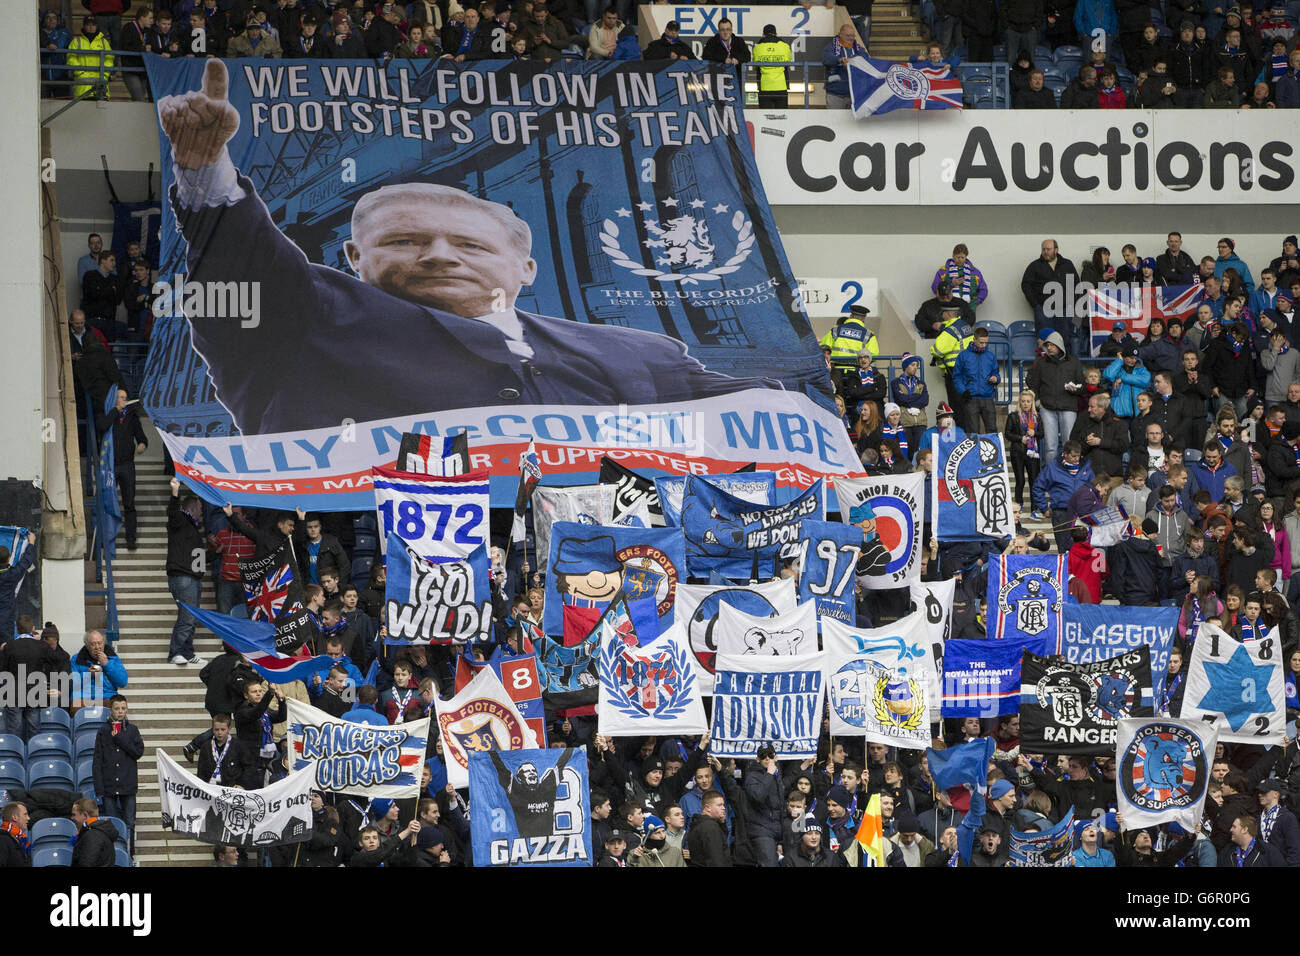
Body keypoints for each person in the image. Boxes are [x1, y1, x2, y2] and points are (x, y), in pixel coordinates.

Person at [155, 61, 788, 437]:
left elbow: (752, 410)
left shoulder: (640, 352)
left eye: (468, 244)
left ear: (524, 268)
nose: (438, 255)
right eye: (405, 240)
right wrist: (207, 175)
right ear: (354, 259)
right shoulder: (304, 318)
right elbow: (247, 267)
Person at [94, 390, 147, 552]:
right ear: (114, 399)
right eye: (121, 398)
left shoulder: (132, 416)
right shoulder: (106, 413)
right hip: (110, 465)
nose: (124, 401)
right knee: (106, 500)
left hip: (127, 465)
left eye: (125, 398)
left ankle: (131, 538)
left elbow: (142, 437)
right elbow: (101, 426)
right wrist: (114, 412)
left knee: (129, 503)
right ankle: (104, 537)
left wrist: (142, 445)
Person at [91, 694, 142, 853]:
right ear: (110, 710)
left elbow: (138, 752)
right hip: (109, 784)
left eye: (123, 708)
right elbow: (97, 760)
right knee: (111, 822)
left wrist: (119, 738)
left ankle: (129, 853)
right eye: (117, 708)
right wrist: (99, 788)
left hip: (128, 784)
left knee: (129, 822)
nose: (120, 712)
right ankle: (113, 853)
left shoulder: (133, 730)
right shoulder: (103, 730)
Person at [165, 478, 207, 666]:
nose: (202, 512)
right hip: (183, 577)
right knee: (187, 617)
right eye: (200, 509)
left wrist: (215, 553)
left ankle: (188, 652)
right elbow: (173, 514)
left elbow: (198, 557)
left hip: (193, 577)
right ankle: (175, 652)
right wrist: (175, 493)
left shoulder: (192, 528)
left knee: (191, 618)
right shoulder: (180, 519)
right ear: (192, 508)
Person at [1033, 440, 1096, 553]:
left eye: (1078, 455)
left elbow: (1094, 489)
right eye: (1073, 456)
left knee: (1083, 548)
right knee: (1064, 548)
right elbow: (1037, 487)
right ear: (1065, 454)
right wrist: (1044, 508)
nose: (1076, 459)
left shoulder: (1086, 467)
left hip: (1082, 513)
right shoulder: (1052, 467)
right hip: (1062, 512)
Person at [1022, 239, 1079, 342]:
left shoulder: (1067, 264)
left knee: (1064, 338)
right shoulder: (1034, 266)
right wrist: (1036, 304)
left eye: (1048, 249)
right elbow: (1025, 285)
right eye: (1043, 249)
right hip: (1043, 309)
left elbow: (1076, 284)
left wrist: (1071, 303)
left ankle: (1064, 358)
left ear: (1056, 250)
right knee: (1044, 339)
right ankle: (1044, 359)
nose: (1045, 252)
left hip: (1064, 309)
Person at [953, 327, 999, 434]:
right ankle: (974, 451)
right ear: (974, 339)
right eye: (981, 342)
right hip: (970, 398)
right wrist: (963, 391)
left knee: (992, 430)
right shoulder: (963, 356)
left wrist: (996, 378)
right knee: (972, 431)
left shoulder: (990, 356)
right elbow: (957, 376)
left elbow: (996, 373)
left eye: (986, 343)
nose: (984, 345)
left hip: (988, 397)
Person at [71, 629, 128, 710]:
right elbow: (72, 684)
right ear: (87, 645)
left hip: (106, 696)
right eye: (93, 644)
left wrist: (107, 665)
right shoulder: (76, 659)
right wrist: (88, 675)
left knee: (116, 708)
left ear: (104, 643)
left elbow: (122, 682)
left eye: (99, 643)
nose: (97, 647)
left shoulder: (112, 658)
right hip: (83, 696)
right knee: (76, 707)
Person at [1005, 390, 1042, 508]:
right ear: (1019, 402)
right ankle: (1018, 506)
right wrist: (1020, 438)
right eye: (1023, 401)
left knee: (1034, 481)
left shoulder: (1037, 416)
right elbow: (1007, 434)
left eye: (1028, 401)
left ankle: (1034, 509)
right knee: (1020, 481)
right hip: (1018, 452)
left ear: (1032, 403)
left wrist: (1034, 433)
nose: (1025, 404)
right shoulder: (1013, 416)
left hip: (1033, 454)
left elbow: (1042, 433)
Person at [823, 24, 867, 109]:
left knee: (853, 122)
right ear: (840, 34)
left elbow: (865, 59)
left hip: (854, 94)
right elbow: (827, 59)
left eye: (853, 36)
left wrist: (852, 62)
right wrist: (839, 60)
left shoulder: (858, 49)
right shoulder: (831, 47)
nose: (851, 38)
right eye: (848, 35)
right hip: (835, 93)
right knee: (834, 121)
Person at [932, 244, 988, 310]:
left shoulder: (974, 272)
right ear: (953, 256)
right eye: (958, 257)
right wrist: (951, 284)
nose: (960, 260)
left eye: (962, 257)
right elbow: (935, 288)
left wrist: (975, 302)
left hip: (969, 309)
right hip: (948, 309)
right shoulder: (943, 271)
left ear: (966, 257)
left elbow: (983, 290)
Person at [1219, 814, 1287, 866]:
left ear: (1244, 829)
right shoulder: (1227, 851)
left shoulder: (1268, 852)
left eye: (1234, 827)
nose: (1231, 830)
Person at [750, 24, 792, 108]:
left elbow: (755, 67)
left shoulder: (757, 47)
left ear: (763, 35)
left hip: (764, 87)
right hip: (781, 86)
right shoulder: (785, 46)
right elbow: (788, 63)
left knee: (765, 117)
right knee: (782, 117)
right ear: (776, 34)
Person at [686, 791, 732, 866]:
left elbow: (720, 843)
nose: (723, 808)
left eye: (723, 805)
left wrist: (722, 823)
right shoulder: (710, 827)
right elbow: (715, 858)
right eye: (719, 805)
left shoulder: (698, 824)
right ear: (708, 807)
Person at [70, 798, 118, 868]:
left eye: (74, 815)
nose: (72, 818)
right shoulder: (95, 832)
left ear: (85, 815)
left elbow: (86, 863)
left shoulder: (92, 835)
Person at [701, 17, 750, 83]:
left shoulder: (739, 41)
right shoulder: (712, 42)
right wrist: (723, 59)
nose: (725, 32)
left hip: (736, 81)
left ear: (731, 30)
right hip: (718, 81)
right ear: (718, 31)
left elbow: (747, 55)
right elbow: (705, 56)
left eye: (728, 29)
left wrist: (737, 59)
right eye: (722, 30)